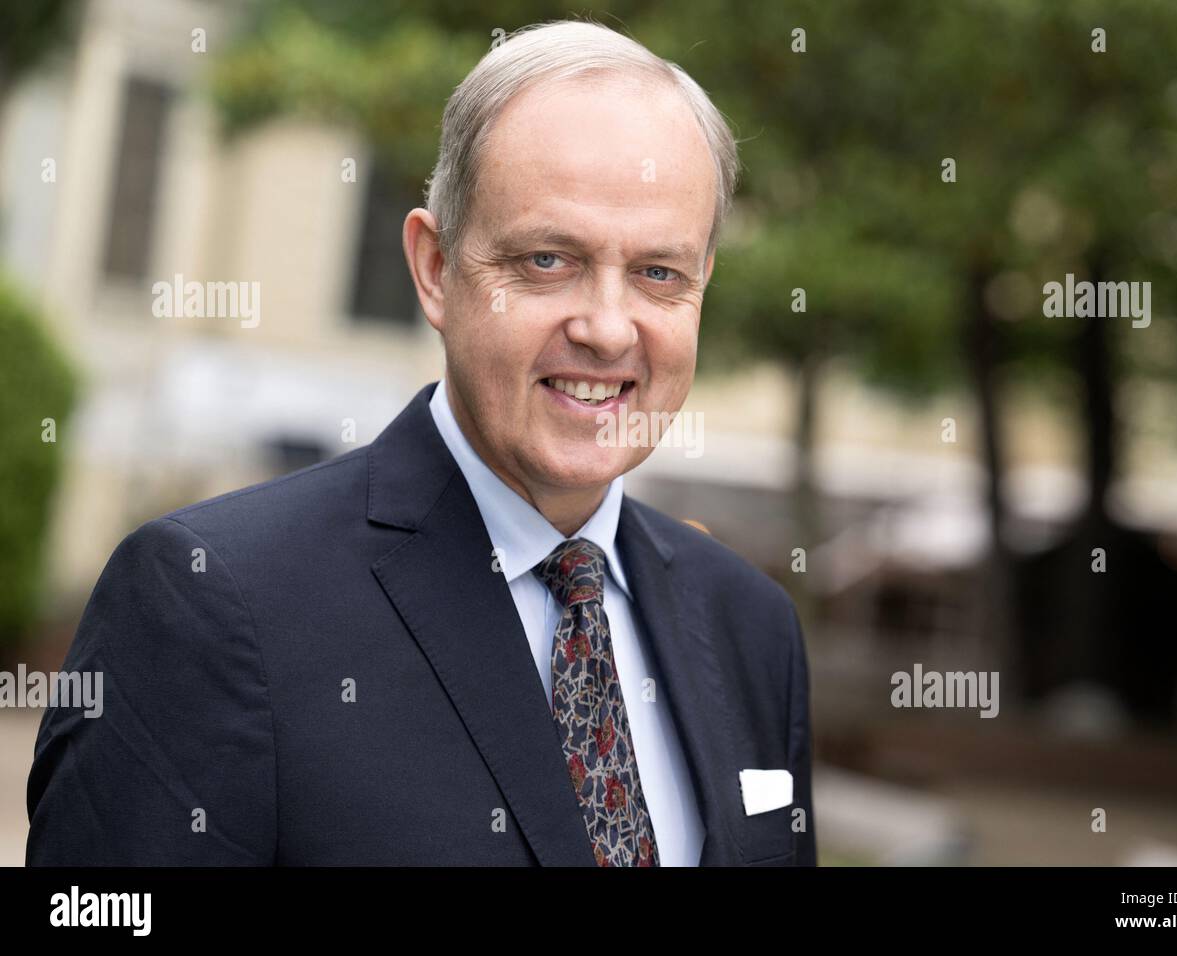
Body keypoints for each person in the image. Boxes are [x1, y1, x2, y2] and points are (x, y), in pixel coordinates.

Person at [26, 19, 816, 867]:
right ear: (436, 268)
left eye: (660, 273)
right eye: (549, 260)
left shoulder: (750, 627)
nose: (607, 327)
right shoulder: (209, 607)